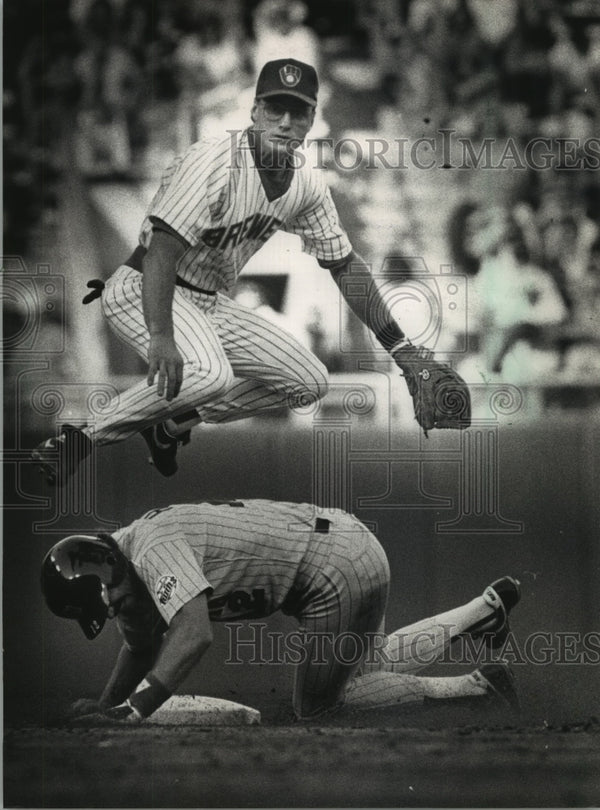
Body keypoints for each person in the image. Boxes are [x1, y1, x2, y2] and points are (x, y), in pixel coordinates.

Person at [32, 58, 469, 484]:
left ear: (311, 118)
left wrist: (401, 349)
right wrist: (161, 334)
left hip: (207, 302)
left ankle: (171, 424)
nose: (283, 121)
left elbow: (345, 266)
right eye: (274, 109)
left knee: (309, 381)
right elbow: (161, 251)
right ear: (255, 111)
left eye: (296, 111)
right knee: (211, 374)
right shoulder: (215, 162)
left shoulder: (306, 184)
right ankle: (78, 439)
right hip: (145, 287)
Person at [41, 499, 521, 722]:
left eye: (108, 596)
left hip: (332, 566)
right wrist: (106, 705)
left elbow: (192, 636)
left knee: (317, 706)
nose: (111, 605)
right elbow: (141, 646)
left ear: (105, 562)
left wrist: (135, 709)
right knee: (367, 669)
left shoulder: (151, 550)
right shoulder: (121, 566)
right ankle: (482, 612)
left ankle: (475, 688)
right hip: (342, 546)